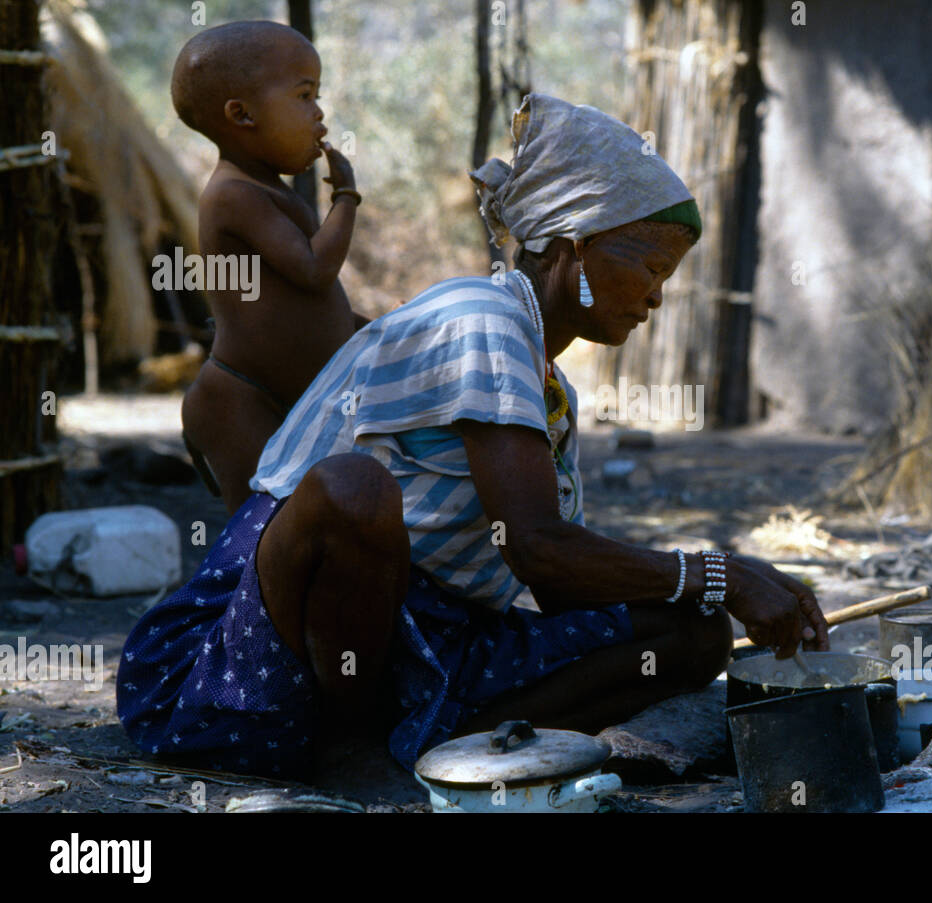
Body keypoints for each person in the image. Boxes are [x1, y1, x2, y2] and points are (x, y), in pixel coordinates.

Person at [116, 94, 828, 779]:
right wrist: (720, 574)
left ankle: (436, 748)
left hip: (426, 640)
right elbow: (537, 548)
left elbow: (561, 585)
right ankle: (354, 752)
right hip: (247, 656)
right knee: (351, 488)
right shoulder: (480, 319)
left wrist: (723, 586)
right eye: (649, 266)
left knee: (693, 634)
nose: (657, 296)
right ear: (575, 247)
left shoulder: (548, 386)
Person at [171, 21, 369, 515]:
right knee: (259, 528)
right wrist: (346, 197)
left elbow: (304, 303)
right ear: (242, 114)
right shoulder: (233, 195)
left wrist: (376, 330)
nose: (319, 113)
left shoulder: (270, 191)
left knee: (310, 520)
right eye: (304, 96)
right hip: (243, 399)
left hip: (292, 397)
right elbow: (314, 270)